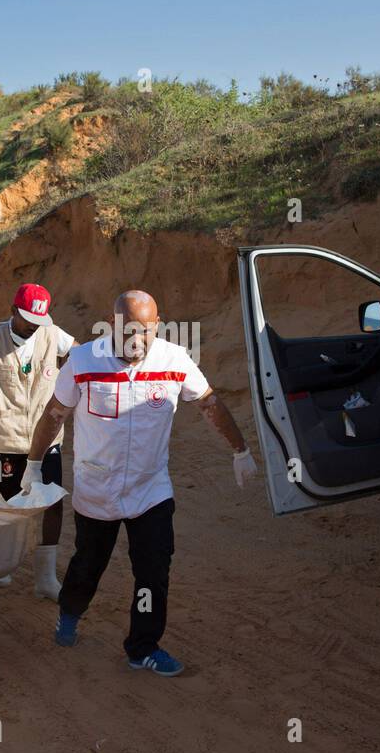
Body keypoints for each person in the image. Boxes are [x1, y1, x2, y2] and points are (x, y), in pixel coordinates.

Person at [20, 290, 259, 676]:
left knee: (153, 570)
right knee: (87, 566)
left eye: (145, 331)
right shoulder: (83, 361)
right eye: (128, 329)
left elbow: (209, 403)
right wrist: (33, 464)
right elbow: (54, 414)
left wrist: (240, 449)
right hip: (97, 489)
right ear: (112, 324)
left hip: (151, 489)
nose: (137, 339)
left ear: (157, 327)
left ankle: (143, 646)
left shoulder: (174, 360)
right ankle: (70, 612)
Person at [0, 283, 77, 599]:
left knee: (53, 503)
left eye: (38, 321)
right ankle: (4, 565)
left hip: (46, 441)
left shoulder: (52, 333)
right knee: (7, 505)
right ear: (13, 311)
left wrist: (67, 378)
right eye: (28, 319)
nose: (33, 327)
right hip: (6, 441)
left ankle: (45, 578)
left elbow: (77, 352)